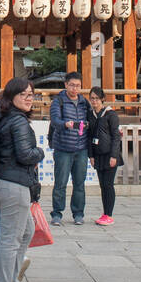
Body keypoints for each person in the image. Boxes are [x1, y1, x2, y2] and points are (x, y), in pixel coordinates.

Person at [0, 77, 45, 282]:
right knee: (10, 241)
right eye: (24, 95)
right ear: (12, 97)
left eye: (32, 94)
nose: (29, 99)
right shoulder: (17, 122)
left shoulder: (3, 118)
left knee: (26, 231)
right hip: (13, 185)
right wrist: (40, 152)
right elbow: (25, 155)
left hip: (1, 184)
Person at [48, 71, 92, 226]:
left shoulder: (84, 102)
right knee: (60, 182)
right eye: (72, 85)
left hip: (81, 148)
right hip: (63, 147)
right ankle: (57, 213)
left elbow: (92, 120)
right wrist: (64, 124)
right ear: (66, 85)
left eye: (78, 86)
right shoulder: (58, 101)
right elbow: (54, 120)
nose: (75, 88)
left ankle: (78, 213)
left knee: (79, 183)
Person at [88, 87, 123, 225]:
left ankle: (109, 214)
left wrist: (114, 155)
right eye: (92, 98)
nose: (94, 101)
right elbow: (89, 136)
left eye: (97, 98)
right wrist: (90, 155)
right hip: (98, 155)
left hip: (110, 155)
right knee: (102, 185)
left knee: (108, 185)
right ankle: (105, 213)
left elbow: (116, 136)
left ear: (102, 99)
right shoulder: (90, 115)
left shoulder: (110, 115)